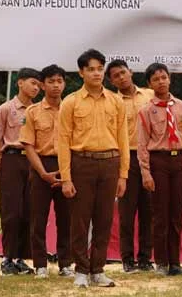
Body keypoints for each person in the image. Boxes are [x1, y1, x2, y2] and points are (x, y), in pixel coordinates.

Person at [58, 49, 129, 288]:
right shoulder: (70, 102)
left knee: (104, 218)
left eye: (100, 69)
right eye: (91, 69)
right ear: (81, 72)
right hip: (82, 162)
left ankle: (98, 269)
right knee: (80, 218)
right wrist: (66, 178)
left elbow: (123, 140)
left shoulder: (116, 101)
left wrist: (123, 174)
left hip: (110, 163)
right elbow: (63, 142)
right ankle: (80, 269)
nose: (96, 73)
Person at [137, 63, 182, 277]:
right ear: (149, 84)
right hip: (159, 161)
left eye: (164, 77)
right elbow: (142, 143)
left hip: (180, 161)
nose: (161, 81)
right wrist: (145, 172)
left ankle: (175, 261)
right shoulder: (146, 110)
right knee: (160, 214)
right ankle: (161, 262)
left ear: (170, 79)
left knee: (177, 213)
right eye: (156, 79)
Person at [23, 65, 73, 279]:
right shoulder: (32, 112)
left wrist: (67, 172)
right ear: (42, 85)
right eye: (51, 81)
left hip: (67, 168)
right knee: (38, 218)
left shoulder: (72, 108)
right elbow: (28, 145)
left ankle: (65, 264)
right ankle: (40, 265)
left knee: (67, 218)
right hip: (41, 166)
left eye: (59, 81)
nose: (56, 85)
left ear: (64, 84)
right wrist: (42, 172)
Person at [107, 60, 154, 274]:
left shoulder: (150, 95)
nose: (121, 77)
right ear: (111, 81)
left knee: (149, 211)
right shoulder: (111, 101)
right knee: (127, 212)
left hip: (150, 159)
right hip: (125, 158)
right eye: (116, 76)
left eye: (123, 72)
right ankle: (127, 259)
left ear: (131, 71)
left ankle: (145, 258)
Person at [0, 67, 42, 276]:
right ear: (20, 82)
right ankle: (6, 258)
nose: (36, 88)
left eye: (38, 85)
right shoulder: (6, 109)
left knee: (29, 211)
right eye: (32, 82)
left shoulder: (38, 110)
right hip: (11, 159)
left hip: (32, 160)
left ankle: (21, 258)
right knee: (11, 211)